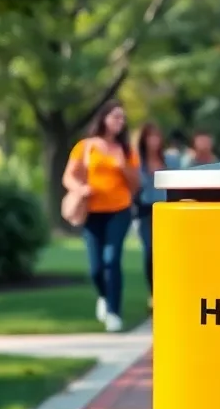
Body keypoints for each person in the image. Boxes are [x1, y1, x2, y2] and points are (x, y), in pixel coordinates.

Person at [62, 100, 139, 333]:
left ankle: (114, 313)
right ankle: (104, 297)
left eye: (122, 118)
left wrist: (123, 166)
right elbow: (68, 176)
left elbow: (136, 185)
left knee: (112, 260)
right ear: (104, 118)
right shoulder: (85, 147)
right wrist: (79, 189)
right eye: (115, 117)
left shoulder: (126, 151)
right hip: (92, 212)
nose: (120, 122)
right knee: (96, 268)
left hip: (119, 210)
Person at [134, 122, 166, 302]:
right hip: (145, 211)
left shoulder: (170, 160)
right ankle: (153, 292)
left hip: (165, 209)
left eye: (156, 136)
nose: (154, 141)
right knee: (150, 250)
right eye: (150, 137)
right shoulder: (138, 162)